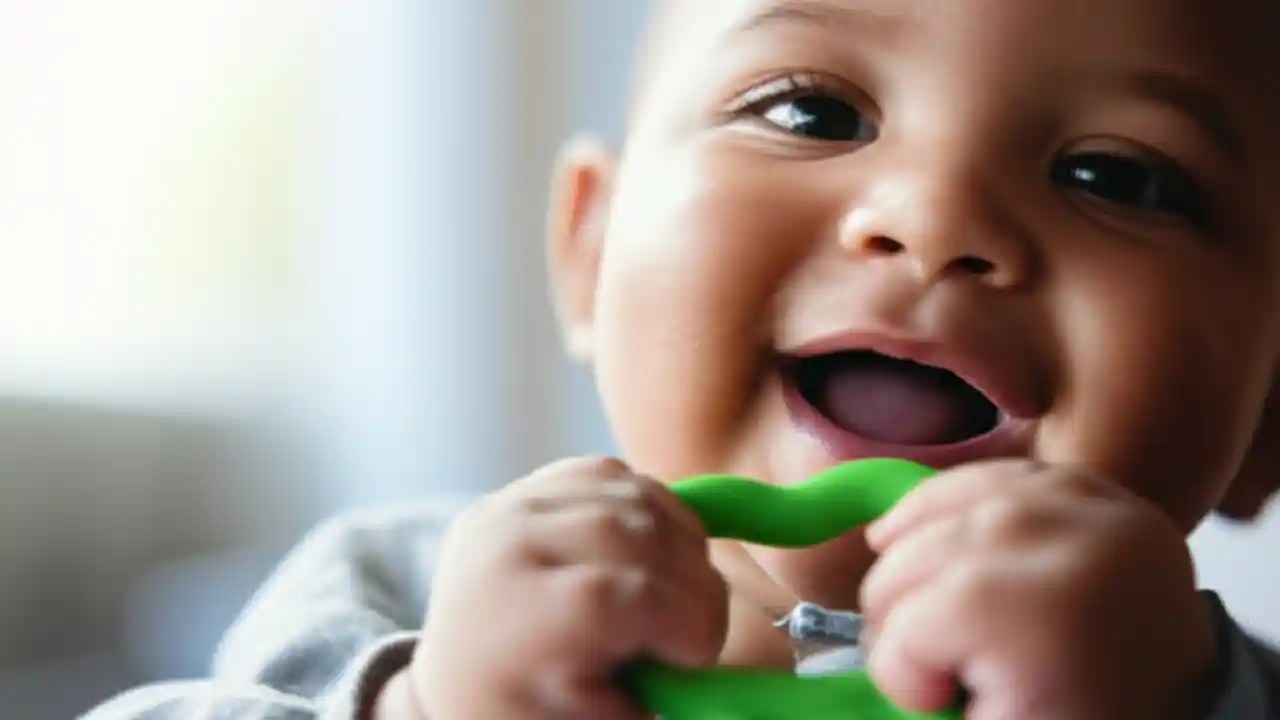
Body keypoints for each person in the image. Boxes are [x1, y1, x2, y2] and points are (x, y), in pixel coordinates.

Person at [86, 0, 1280, 718]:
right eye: (810, 112)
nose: (934, 216)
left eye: (1115, 177)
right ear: (589, 249)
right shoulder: (403, 595)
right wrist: (427, 704)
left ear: (1266, 417)